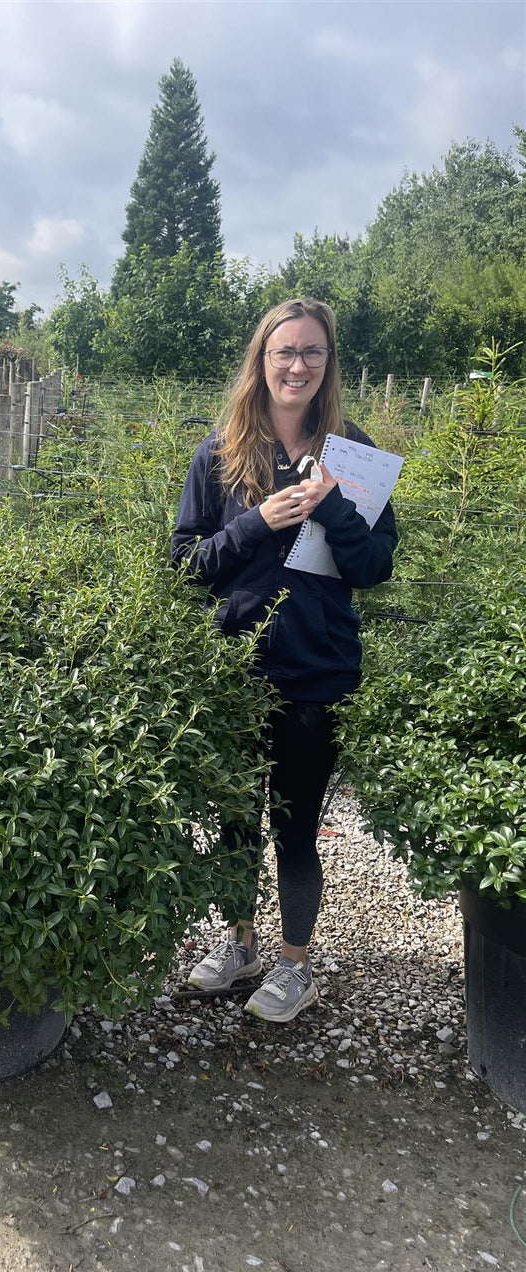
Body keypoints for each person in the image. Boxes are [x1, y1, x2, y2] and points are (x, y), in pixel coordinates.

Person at [171, 297, 398, 1022]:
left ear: (328, 365)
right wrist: (255, 523)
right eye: (284, 351)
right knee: (235, 818)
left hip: (316, 673)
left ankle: (295, 966)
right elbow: (184, 566)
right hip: (236, 670)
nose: (297, 365)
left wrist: (332, 508)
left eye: (312, 353)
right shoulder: (219, 452)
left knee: (294, 827)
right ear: (261, 360)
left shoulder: (352, 454)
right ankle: (240, 944)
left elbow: (374, 567)